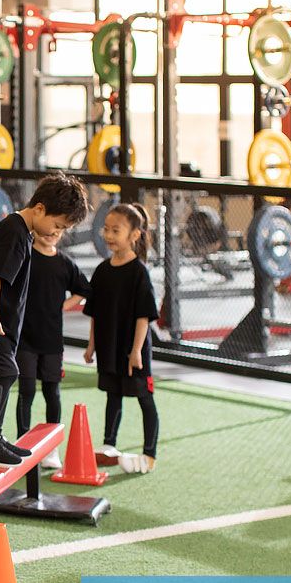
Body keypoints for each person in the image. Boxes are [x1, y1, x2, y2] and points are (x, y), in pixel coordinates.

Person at [0, 173, 89, 468]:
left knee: (8, 372)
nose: (57, 232)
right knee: (8, 372)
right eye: (58, 225)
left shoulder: (23, 232)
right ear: (40, 209)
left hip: (0, 322)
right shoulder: (15, 231)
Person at [82, 202, 160, 474]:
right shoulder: (102, 270)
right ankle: (109, 444)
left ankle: (149, 454)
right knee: (112, 394)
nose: (109, 235)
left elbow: (143, 317)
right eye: (106, 229)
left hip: (132, 351)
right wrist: (92, 345)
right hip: (109, 347)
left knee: (145, 399)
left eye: (116, 230)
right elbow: (95, 312)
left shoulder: (139, 272)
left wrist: (136, 350)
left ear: (134, 235)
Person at [15, 226, 91, 470]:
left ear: (63, 231)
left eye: (57, 229)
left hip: (51, 341)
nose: (51, 232)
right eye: (48, 228)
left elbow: (84, 289)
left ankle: (51, 448)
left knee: (52, 392)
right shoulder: (25, 258)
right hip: (25, 339)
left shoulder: (64, 263)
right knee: (26, 390)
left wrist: (63, 305)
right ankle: (21, 445)